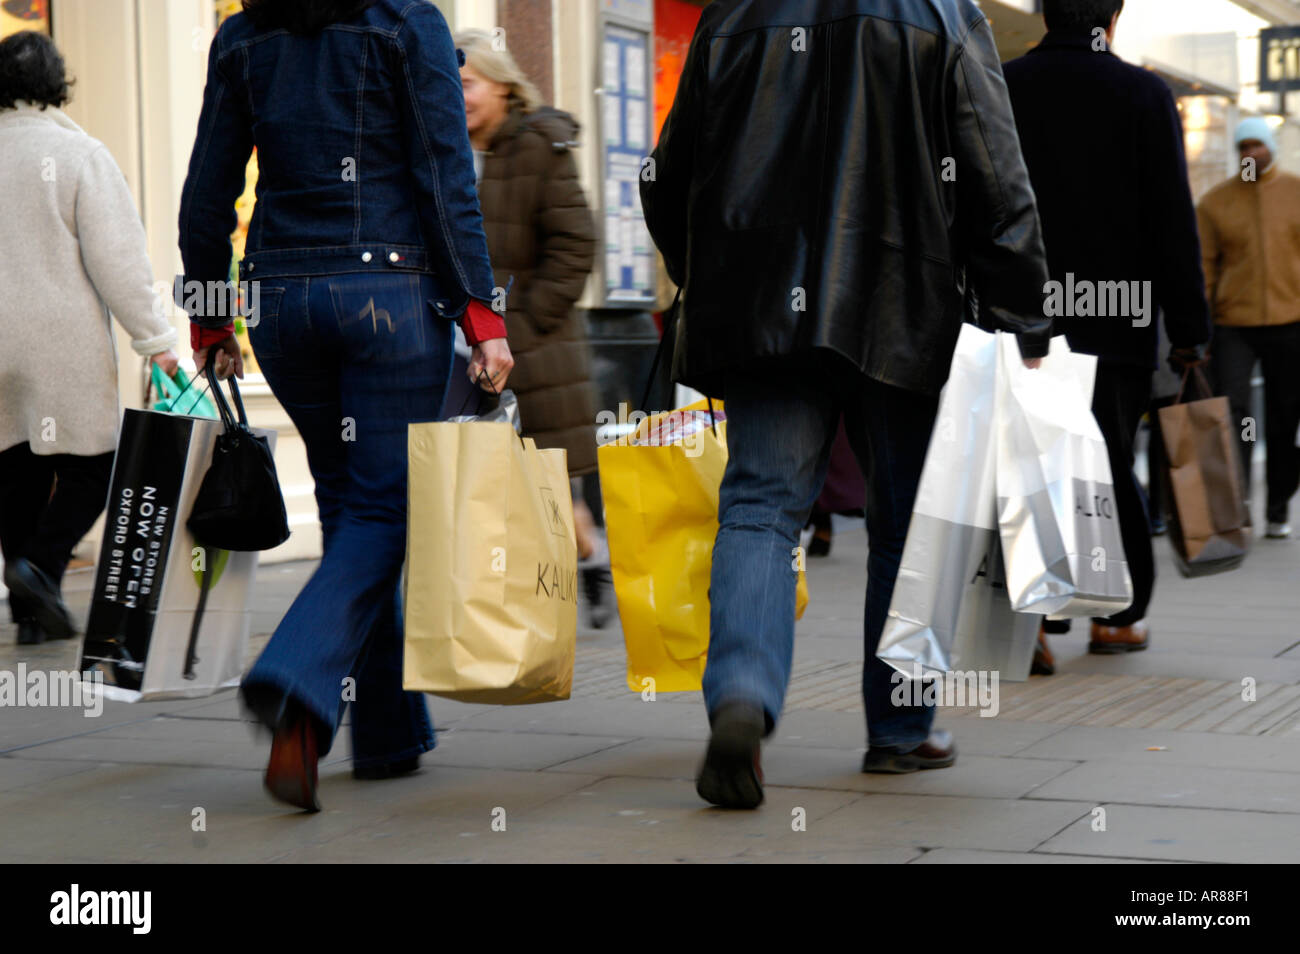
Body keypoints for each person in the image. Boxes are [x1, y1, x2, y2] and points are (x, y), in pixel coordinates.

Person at [643, 0, 1053, 809]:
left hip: (762, 308)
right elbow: (997, 178)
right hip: (905, 306)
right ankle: (901, 731)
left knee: (760, 510)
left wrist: (709, 267)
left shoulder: (734, 15)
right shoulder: (941, 13)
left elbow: (669, 173)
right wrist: (1024, 312)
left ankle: (742, 697)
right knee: (906, 526)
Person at [178, 0, 512, 812]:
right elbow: (444, 171)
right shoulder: (407, 22)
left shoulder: (244, 34)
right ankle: (294, 685)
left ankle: (388, 734)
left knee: (351, 506)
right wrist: (483, 312)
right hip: (388, 296)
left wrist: (210, 314)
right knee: (385, 515)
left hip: (283, 303)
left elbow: (208, 188)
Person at [1003, 0, 1212, 671]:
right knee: (1108, 464)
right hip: (1116, 324)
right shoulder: (1146, 94)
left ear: (1042, 13)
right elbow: (1172, 222)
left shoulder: (1004, 84)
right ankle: (1118, 619)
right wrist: (1189, 331)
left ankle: (1030, 623)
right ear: (1113, 18)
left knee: (1025, 468)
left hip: (1021, 319)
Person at [0, 31, 178, 647]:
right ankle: (40, 566)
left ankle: (31, 615)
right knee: (98, 467)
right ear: (57, 84)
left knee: (14, 468)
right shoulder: (79, 156)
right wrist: (155, 338)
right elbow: (119, 262)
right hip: (60, 341)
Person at [455, 30, 609, 626]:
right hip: (466, 345)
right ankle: (553, 578)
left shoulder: (539, 144)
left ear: (501, 83)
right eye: (451, 85)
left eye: (468, 84)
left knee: (541, 480)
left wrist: (525, 321)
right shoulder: (445, 146)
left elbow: (576, 242)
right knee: (508, 479)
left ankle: (578, 569)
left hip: (533, 349)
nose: (458, 96)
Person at [1197, 117, 1300, 540]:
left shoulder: (1295, 192)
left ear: (1271, 146)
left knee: (1283, 419)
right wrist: (1199, 325)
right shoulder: (1215, 203)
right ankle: (1236, 507)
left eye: (1257, 145)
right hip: (1233, 326)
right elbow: (1203, 268)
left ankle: (1278, 506)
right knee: (1236, 415)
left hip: (1290, 322)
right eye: (1243, 147)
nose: (1250, 154)